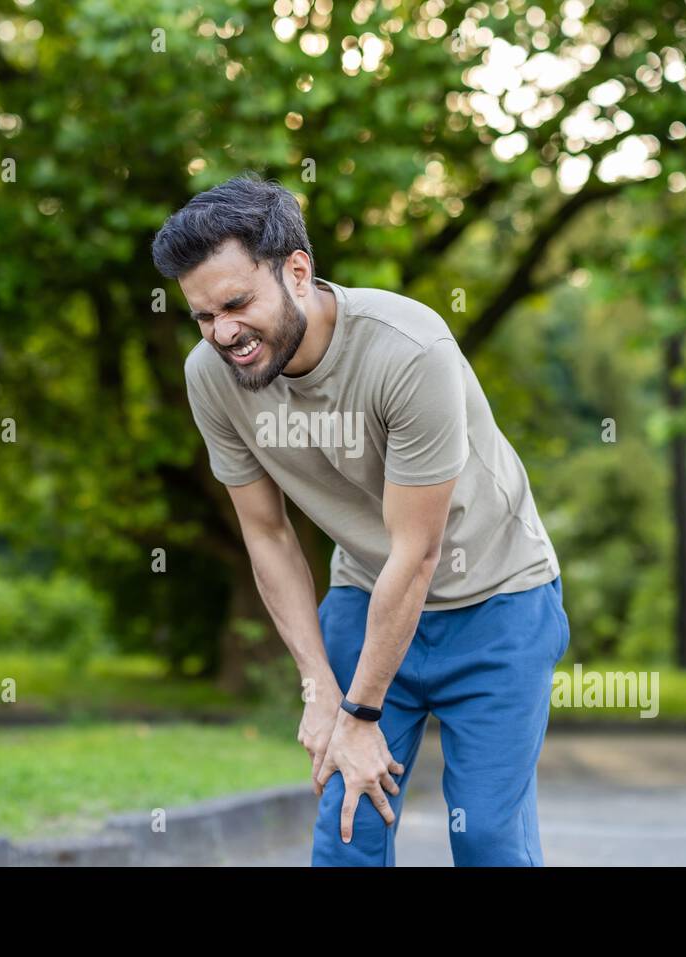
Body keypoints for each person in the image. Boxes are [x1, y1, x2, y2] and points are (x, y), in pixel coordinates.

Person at [151, 171, 570, 866]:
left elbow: (418, 551)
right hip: (365, 591)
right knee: (349, 831)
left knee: (489, 837)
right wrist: (320, 688)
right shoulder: (211, 376)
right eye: (203, 316)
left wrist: (360, 711)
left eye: (236, 303)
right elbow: (267, 533)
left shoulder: (408, 350)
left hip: (497, 599)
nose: (223, 332)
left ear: (297, 270)